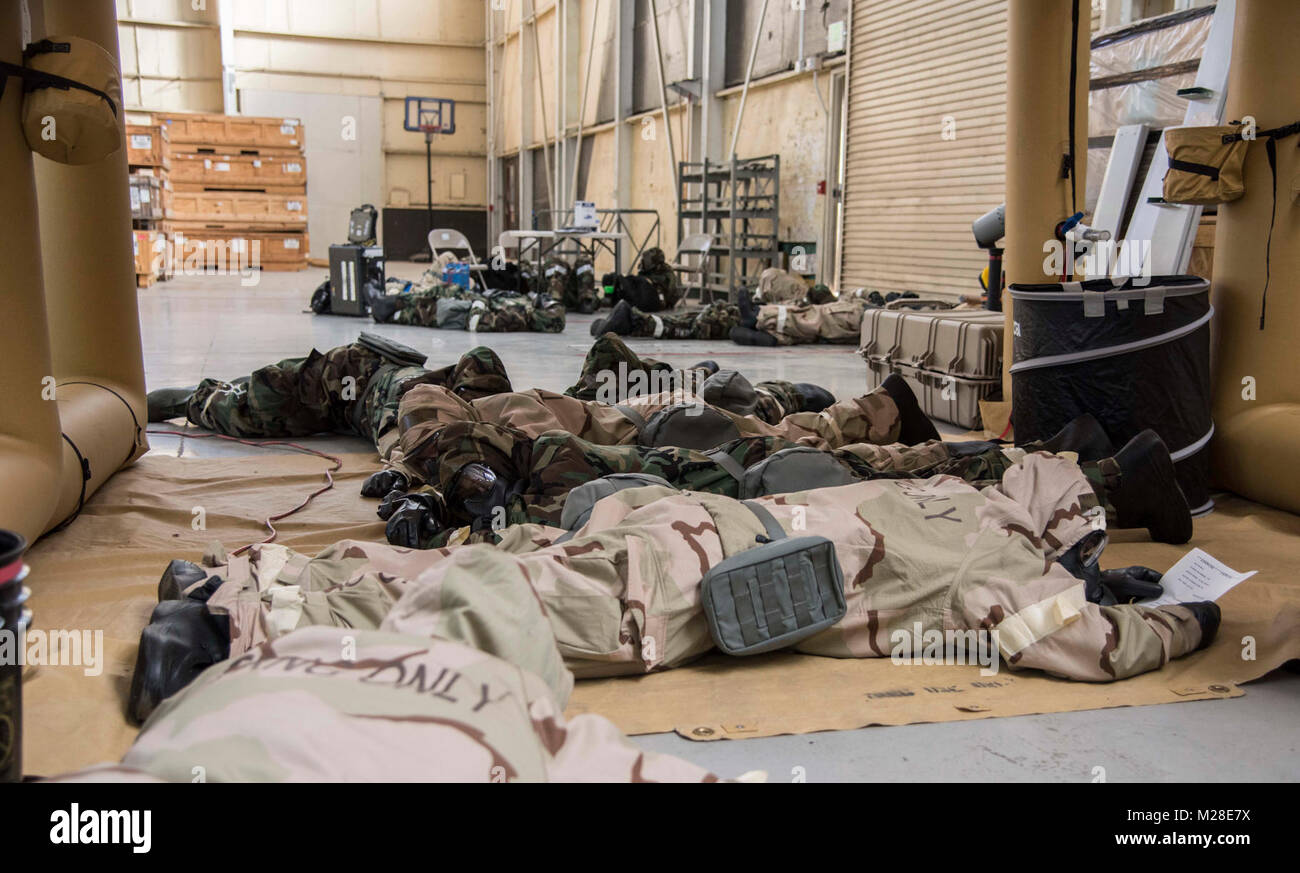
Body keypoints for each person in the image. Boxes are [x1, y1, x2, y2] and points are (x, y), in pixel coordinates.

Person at [128, 450, 1220, 725]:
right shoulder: (1005, 567)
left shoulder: (954, 492)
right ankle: (219, 634)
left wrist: (1089, 579)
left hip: (692, 527)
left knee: (505, 570)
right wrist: (1191, 615)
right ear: (1060, 537)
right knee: (506, 624)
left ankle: (244, 575)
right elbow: (1096, 650)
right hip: (704, 588)